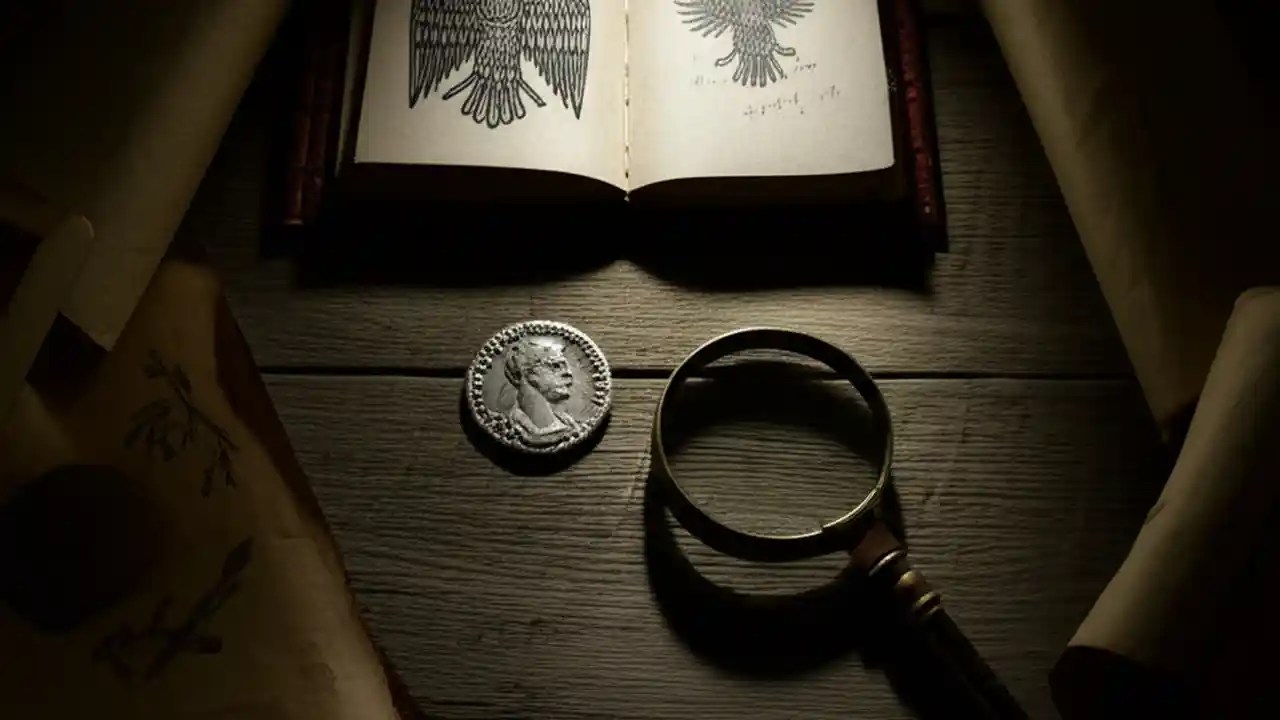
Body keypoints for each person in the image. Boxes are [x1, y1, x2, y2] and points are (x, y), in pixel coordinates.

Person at [502, 337, 582, 446]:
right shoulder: (507, 427)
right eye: (555, 366)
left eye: (565, 366)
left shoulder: (569, 424)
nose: (568, 373)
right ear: (519, 373)